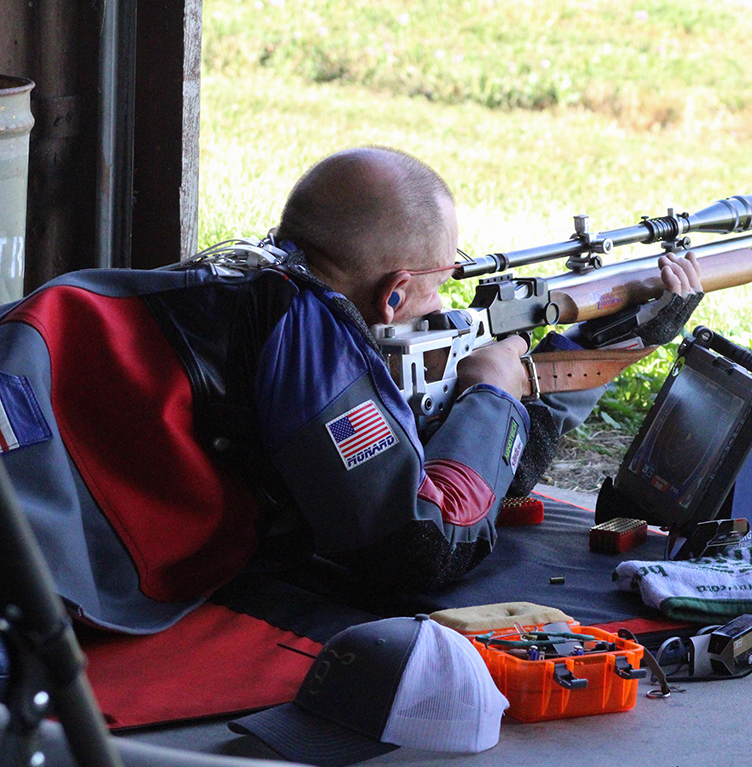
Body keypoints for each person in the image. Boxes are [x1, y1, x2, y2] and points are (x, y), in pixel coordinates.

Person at [0, 146, 702, 635]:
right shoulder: (311, 335)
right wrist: (492, 393)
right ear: (394, 294)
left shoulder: (248, 283)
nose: (444, 312)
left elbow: (481, 478)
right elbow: (419, 546)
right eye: (438, 290)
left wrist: (592, 349)